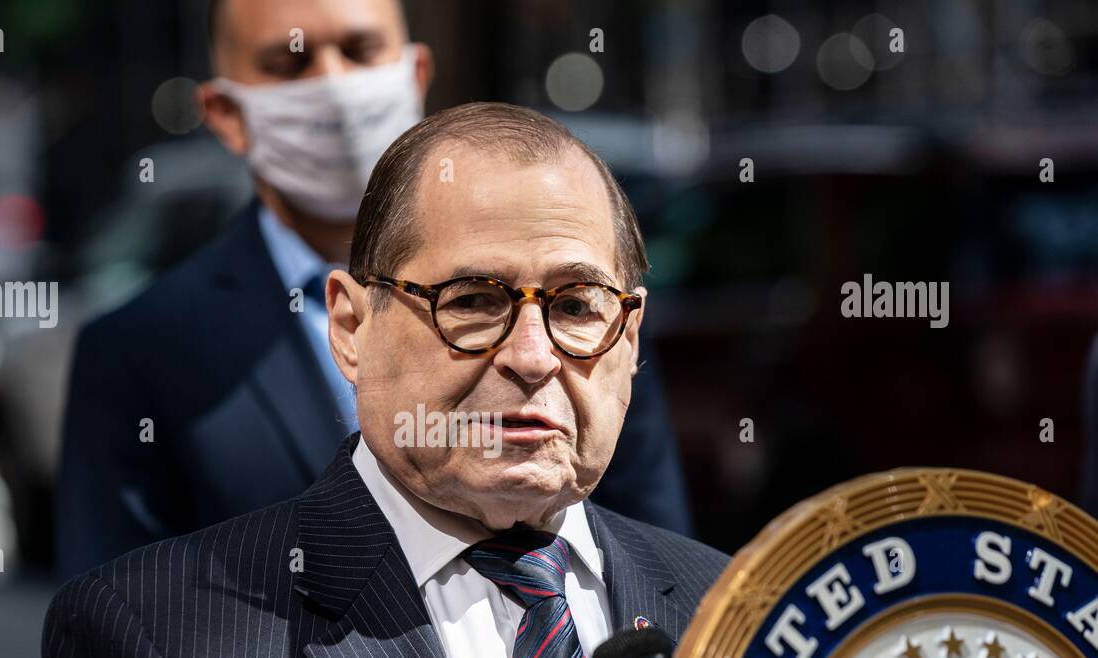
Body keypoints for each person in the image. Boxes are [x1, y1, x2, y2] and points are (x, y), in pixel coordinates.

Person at [36, 102, 726, 658]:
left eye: (575, 306)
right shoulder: (155, 643)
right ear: (350, 328)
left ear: (628, 342)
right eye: (473, 300)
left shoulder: (740, 618)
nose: (532, 357)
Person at [53, 0, 694, 582]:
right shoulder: (140, 348)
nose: (333, 87)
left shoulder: (583, 312)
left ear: (414, 74)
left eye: (360, 52)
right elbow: (122, 616)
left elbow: (653, 563)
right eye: (291, 61)